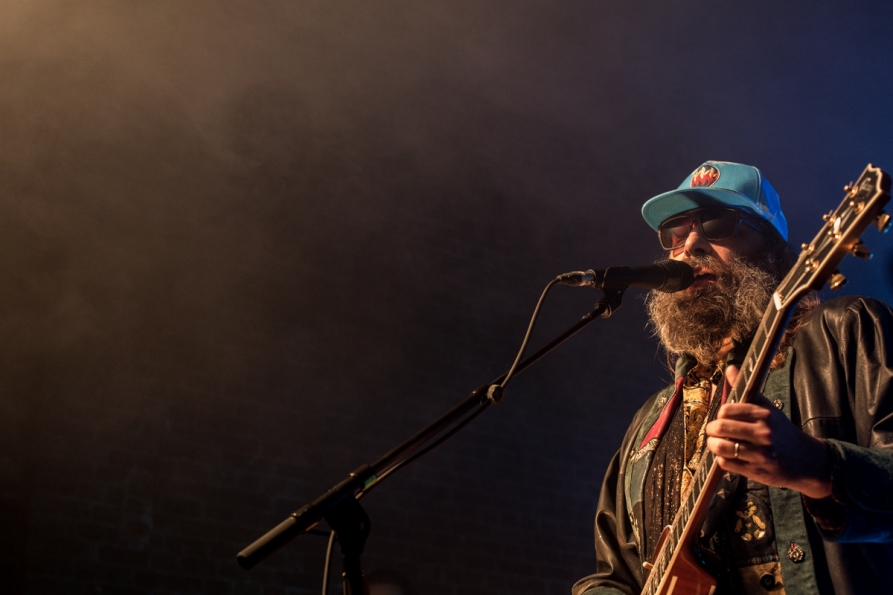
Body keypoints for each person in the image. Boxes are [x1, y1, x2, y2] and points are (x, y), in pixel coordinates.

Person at [571, 161, 893, 595]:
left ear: (772, 252)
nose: (690, 245)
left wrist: (820, 466)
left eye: (718, 223)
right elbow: (613, 575)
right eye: (674, 232)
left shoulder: (846, 331)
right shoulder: (648, 424)